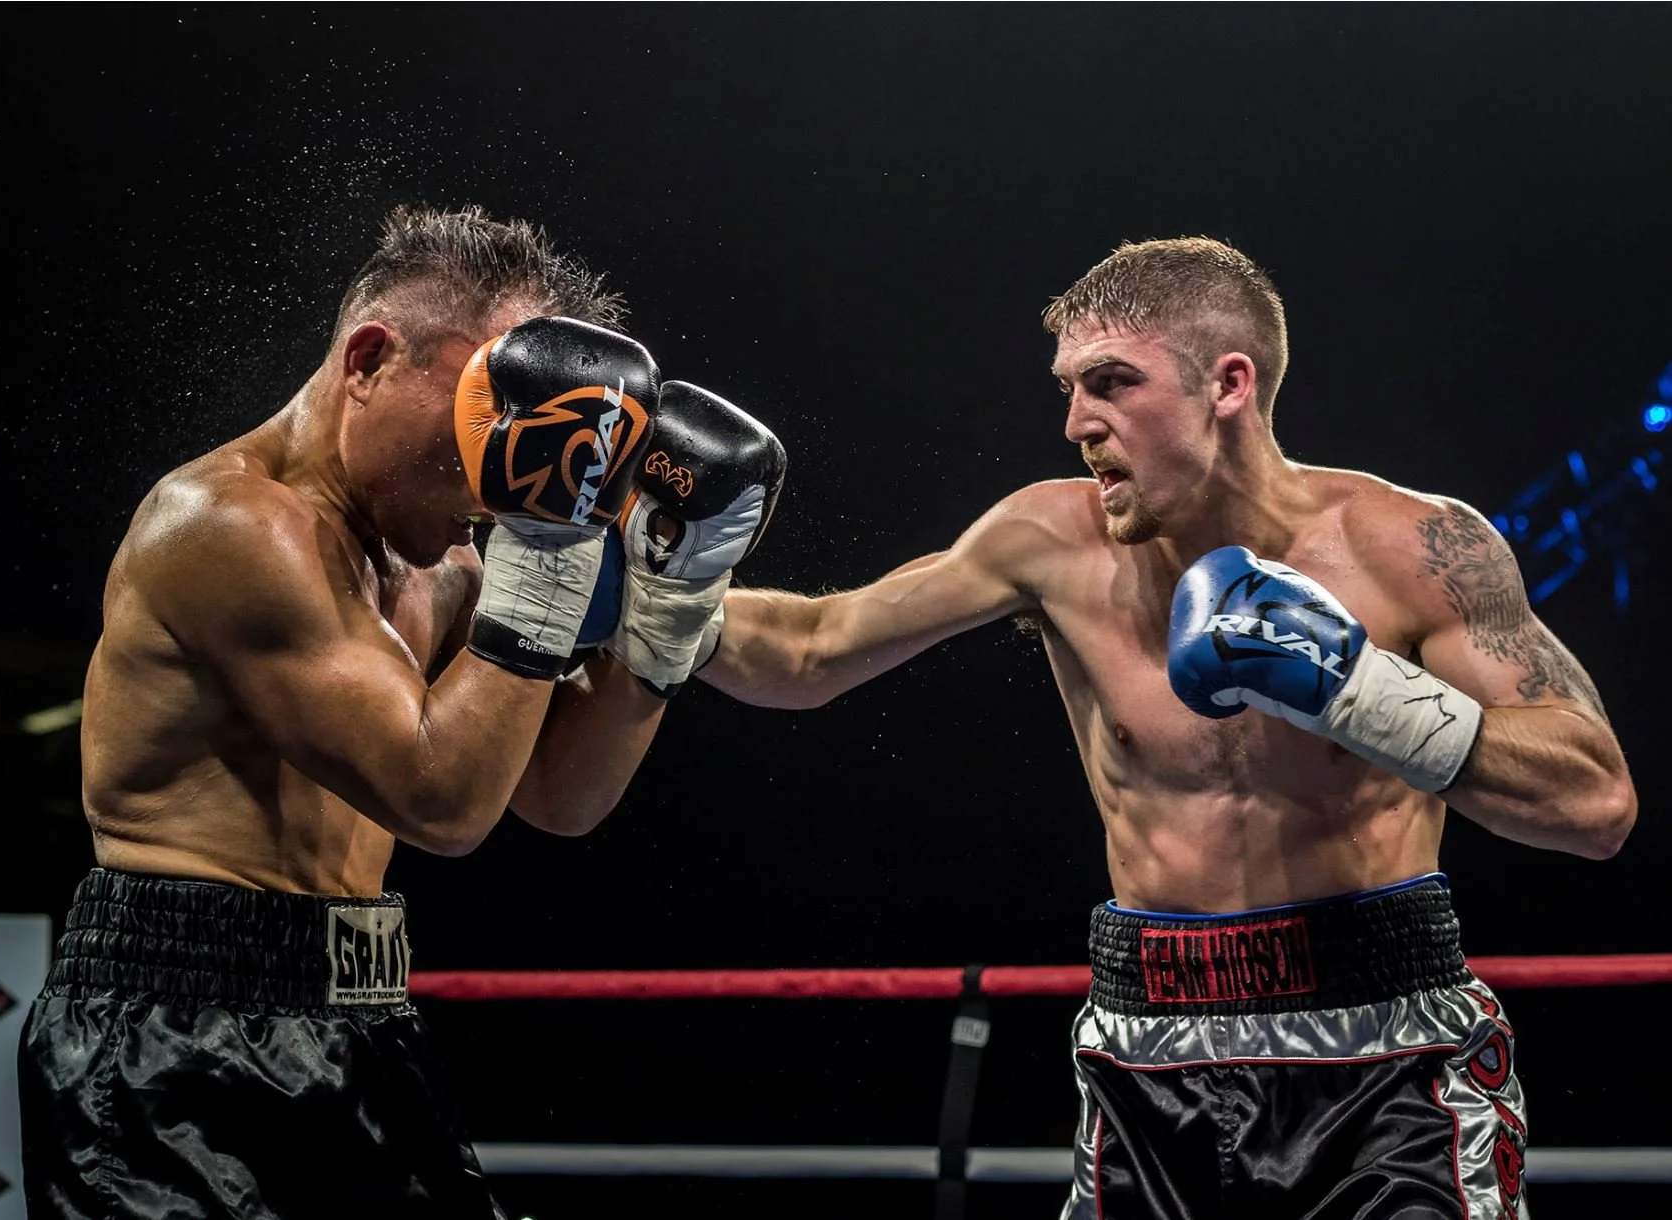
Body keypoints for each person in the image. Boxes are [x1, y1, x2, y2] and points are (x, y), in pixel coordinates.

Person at [699, 237, 1634, 1218]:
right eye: (1067, 387)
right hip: (1147, 1054)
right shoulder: (1045, 541)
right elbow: (812, 647)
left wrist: (1355, 686)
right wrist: (652, 595)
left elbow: (1593, 799)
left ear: (1226, 384)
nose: (1075, 423)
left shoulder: (1410, 546)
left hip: (1383, 1060)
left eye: (1110, 382)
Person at [17, 204, 786, 1220]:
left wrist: (665, 608)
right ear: (370, 360)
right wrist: (549, 555)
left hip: (360, 1016)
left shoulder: (440, 562)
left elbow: (559, 794)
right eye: (486, 412)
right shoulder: (229, 525)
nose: (492, 466)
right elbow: (439, 800)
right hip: (176, 1040)